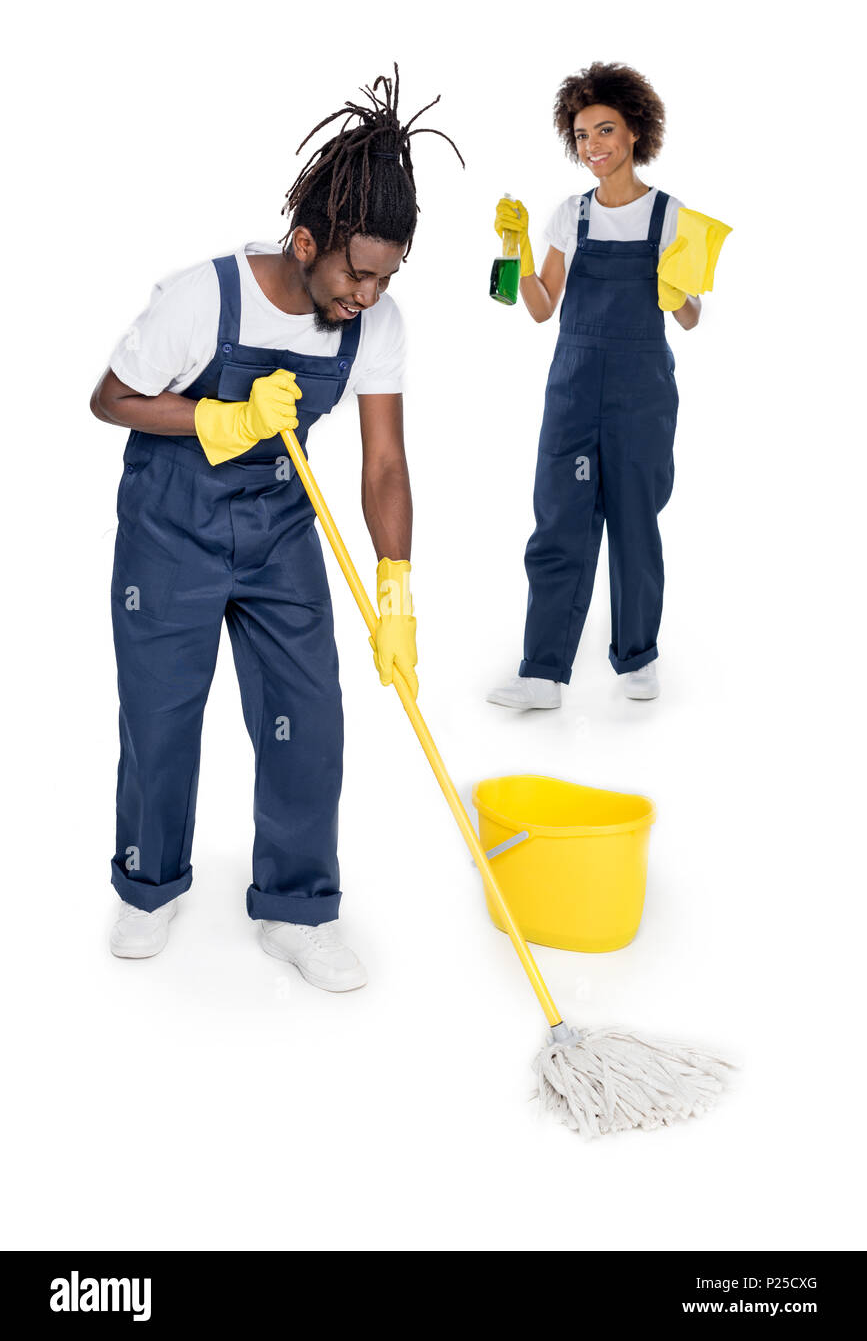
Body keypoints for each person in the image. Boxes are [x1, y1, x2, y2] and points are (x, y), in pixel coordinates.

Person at [91, 68, 463, 987]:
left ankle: (297, 909)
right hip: (169, 527)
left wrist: (396, 586)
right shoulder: (204, 298)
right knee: (161, 718)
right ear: (306, 242)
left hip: (279, 534)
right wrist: (219, 419)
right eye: (355, 272)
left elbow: (383, 462)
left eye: (387, 275)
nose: (367, 294)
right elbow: (109, 399)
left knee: (310, 717)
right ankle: (148, 886)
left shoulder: (375, 324)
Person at [487, 61, 699, 710]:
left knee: (635, 520)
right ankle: (543, 673)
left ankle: (637, 657)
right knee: (559, 521)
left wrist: (677, 291)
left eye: (604, 130)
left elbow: (690, 316)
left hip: (640, 391)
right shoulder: (566, 216)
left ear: (634, 131)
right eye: (580, 135)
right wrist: (510, 251)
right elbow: (536, 305)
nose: (592, 146)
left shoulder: (670, 215)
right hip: (574, 389)